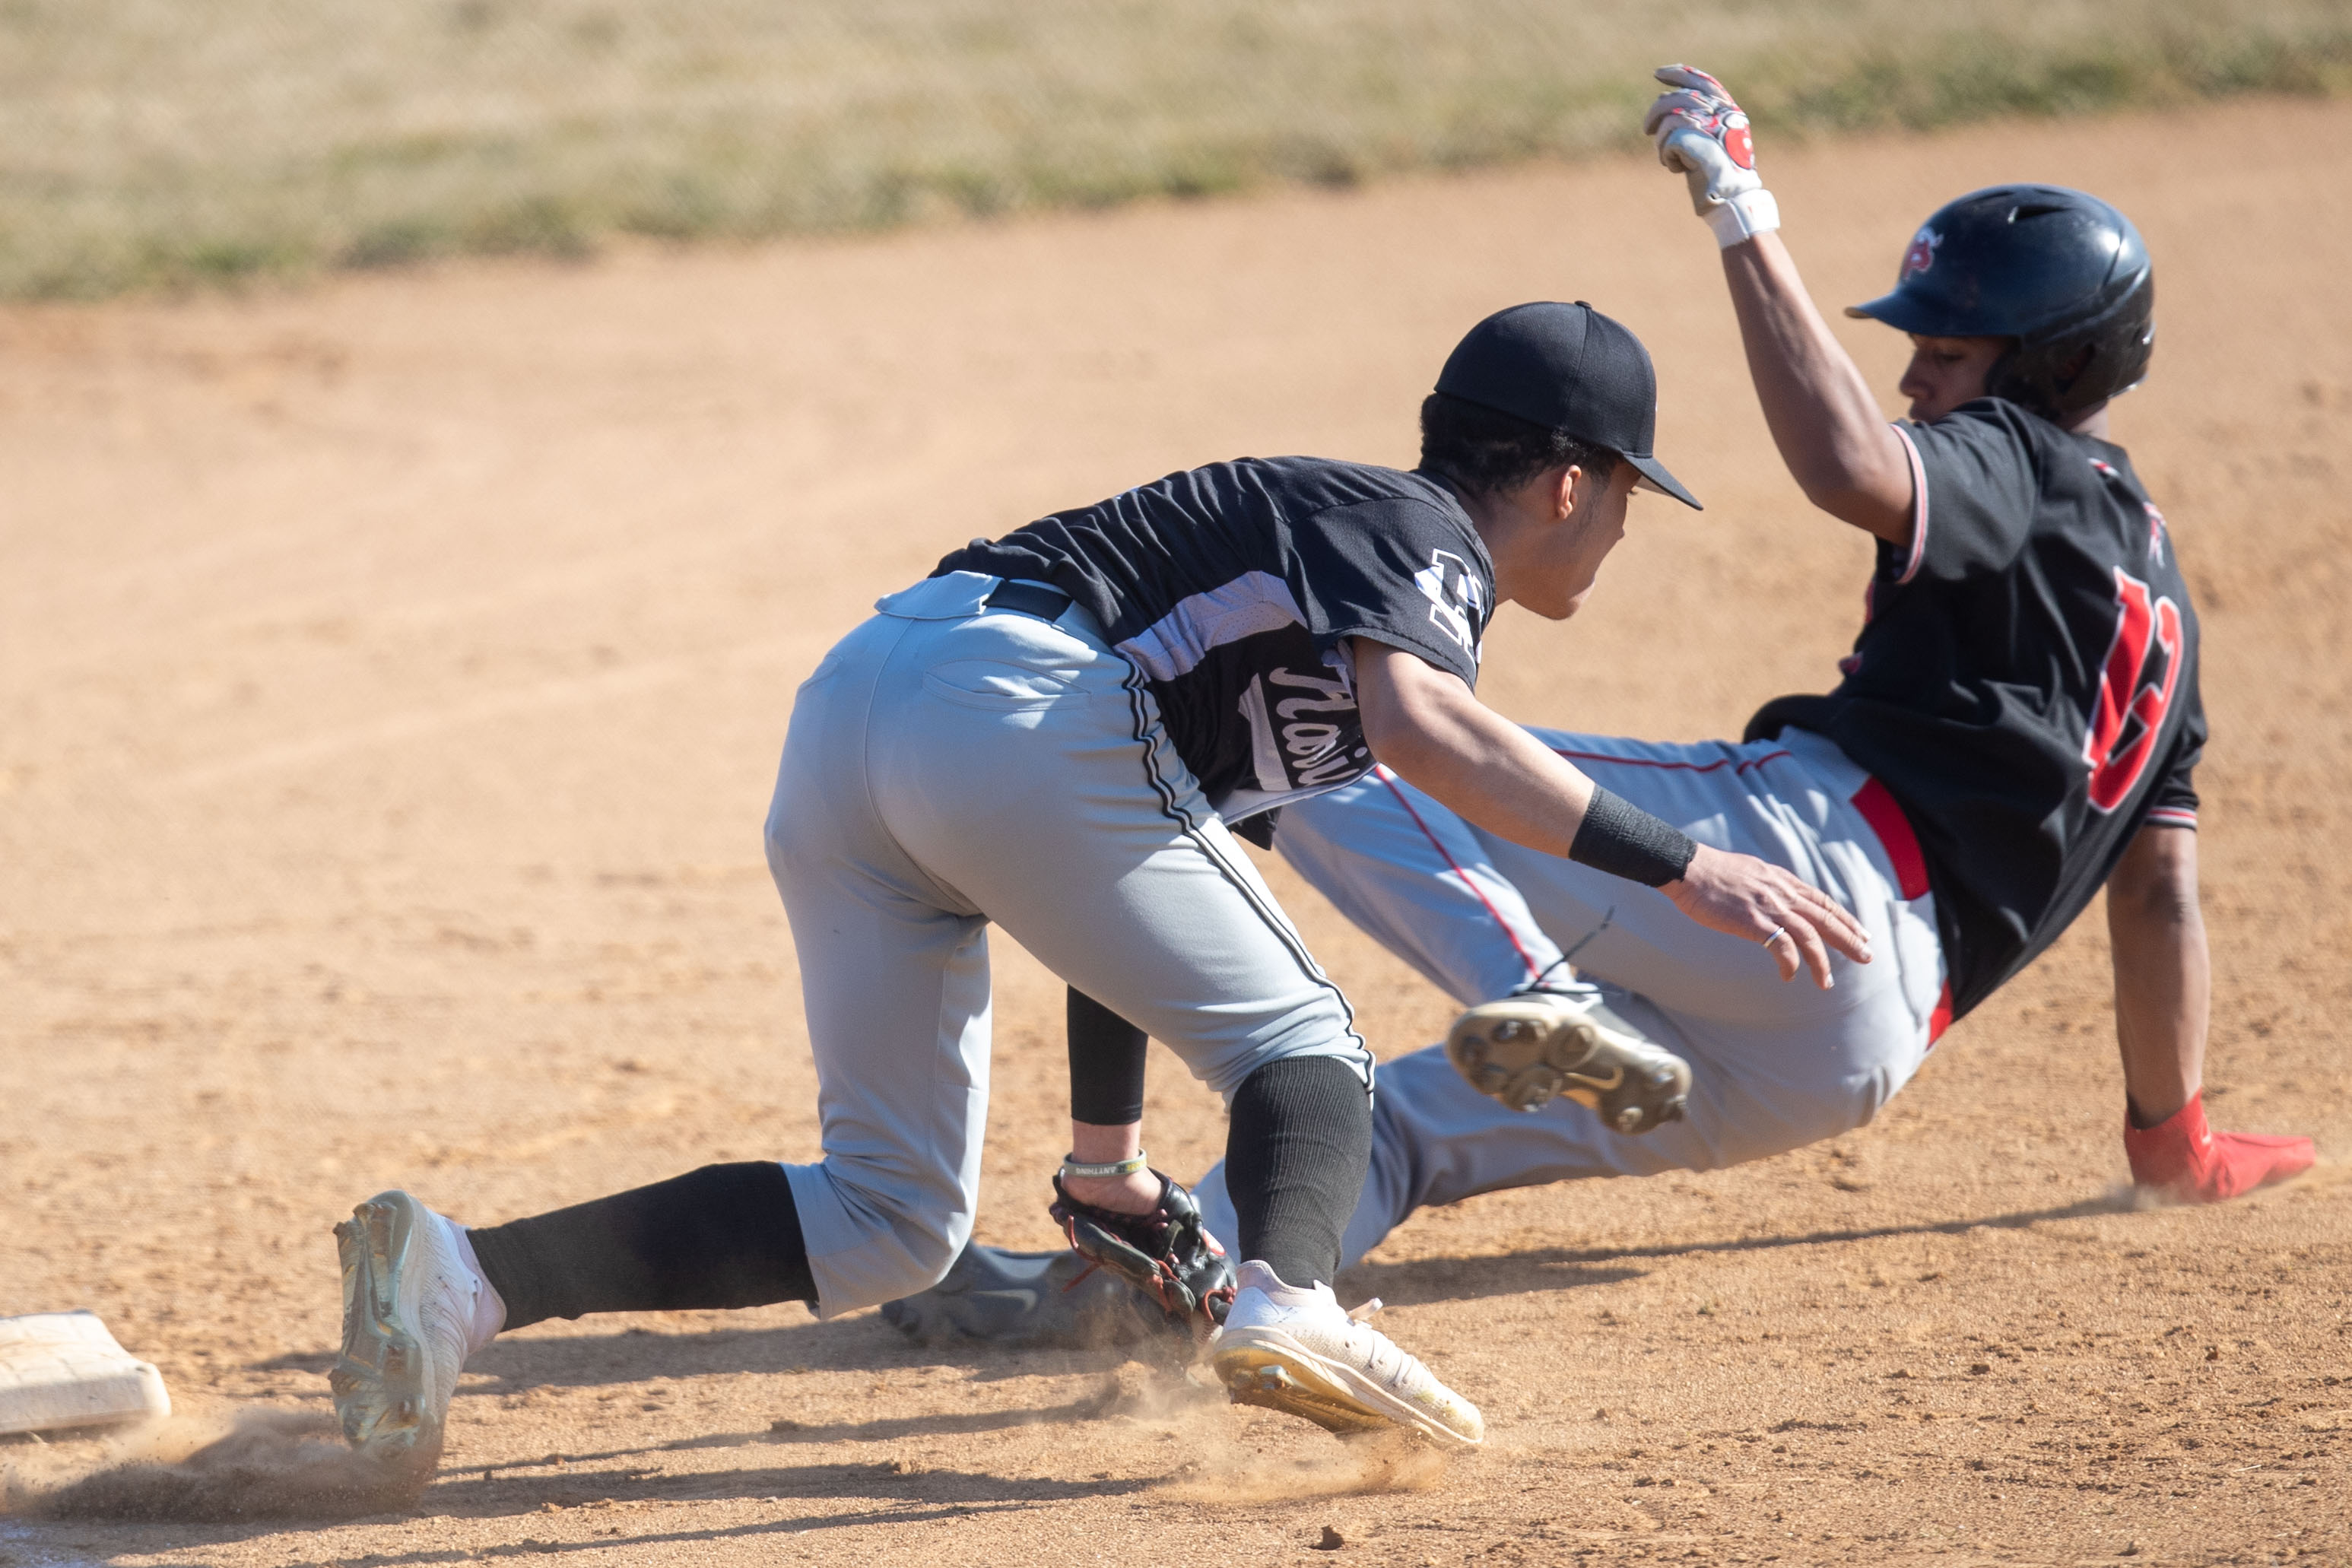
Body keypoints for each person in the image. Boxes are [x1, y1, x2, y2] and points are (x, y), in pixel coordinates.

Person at [881, 65, 2315, 1348]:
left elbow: (1847, 466)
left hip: (1798, 872)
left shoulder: (2024, 459)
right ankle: (1140, 1290)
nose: (1916, 370)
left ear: (2053, 368)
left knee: (1327, 734)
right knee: (1376, 1128)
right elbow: (2160, 892)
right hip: (1847, 1049)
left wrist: (1740, 206)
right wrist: (2169, 1135)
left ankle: (1541, 992)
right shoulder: (2164, 623)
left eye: (1949, 348)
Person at [325, 295, 1872, 1475]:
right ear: (1565, 479)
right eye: (1620, 497)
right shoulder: (1412, 535)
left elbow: (1128, 876)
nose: (1613, 533)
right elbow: (1428, 730)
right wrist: (1685, 861)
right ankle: (1291, 1299)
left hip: (872, 715)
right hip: (1012, 695)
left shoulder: (1325, 622)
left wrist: (1107, 1160)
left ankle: (461, 1278)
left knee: (887, 1220)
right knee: (1309, 1047)